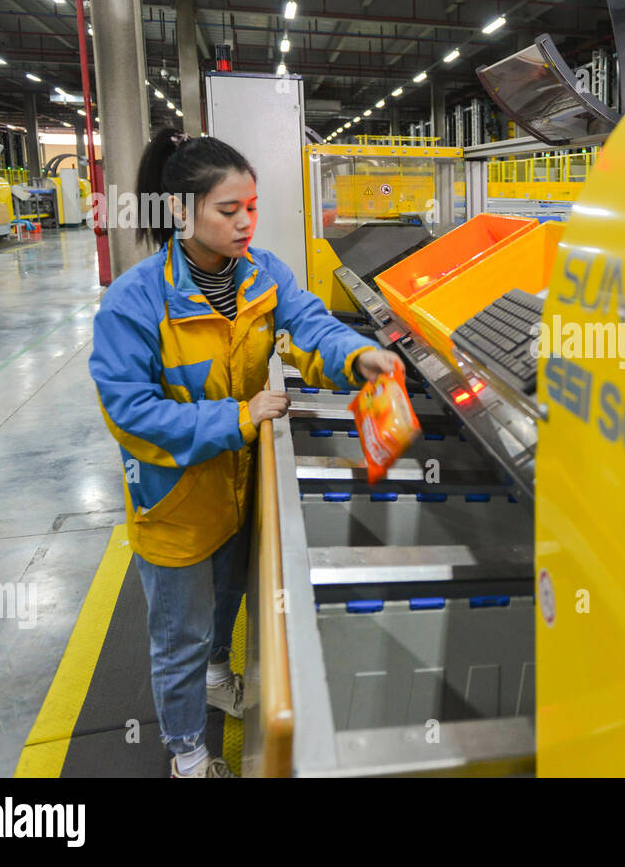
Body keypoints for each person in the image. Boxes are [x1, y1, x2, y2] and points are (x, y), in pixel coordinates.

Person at [88, 128, 402, 778]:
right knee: (179, 637)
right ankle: (187, 753)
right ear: (181, 212)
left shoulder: (264, 276)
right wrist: (239, 417)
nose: (245, 223)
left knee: (224, 605)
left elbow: (310, 326)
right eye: (228, 211)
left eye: (252, 207)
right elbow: (132, 415)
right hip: (174, 501)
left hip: (238, 487)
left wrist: (357, 355)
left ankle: (215, 679)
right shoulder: (135, 301)